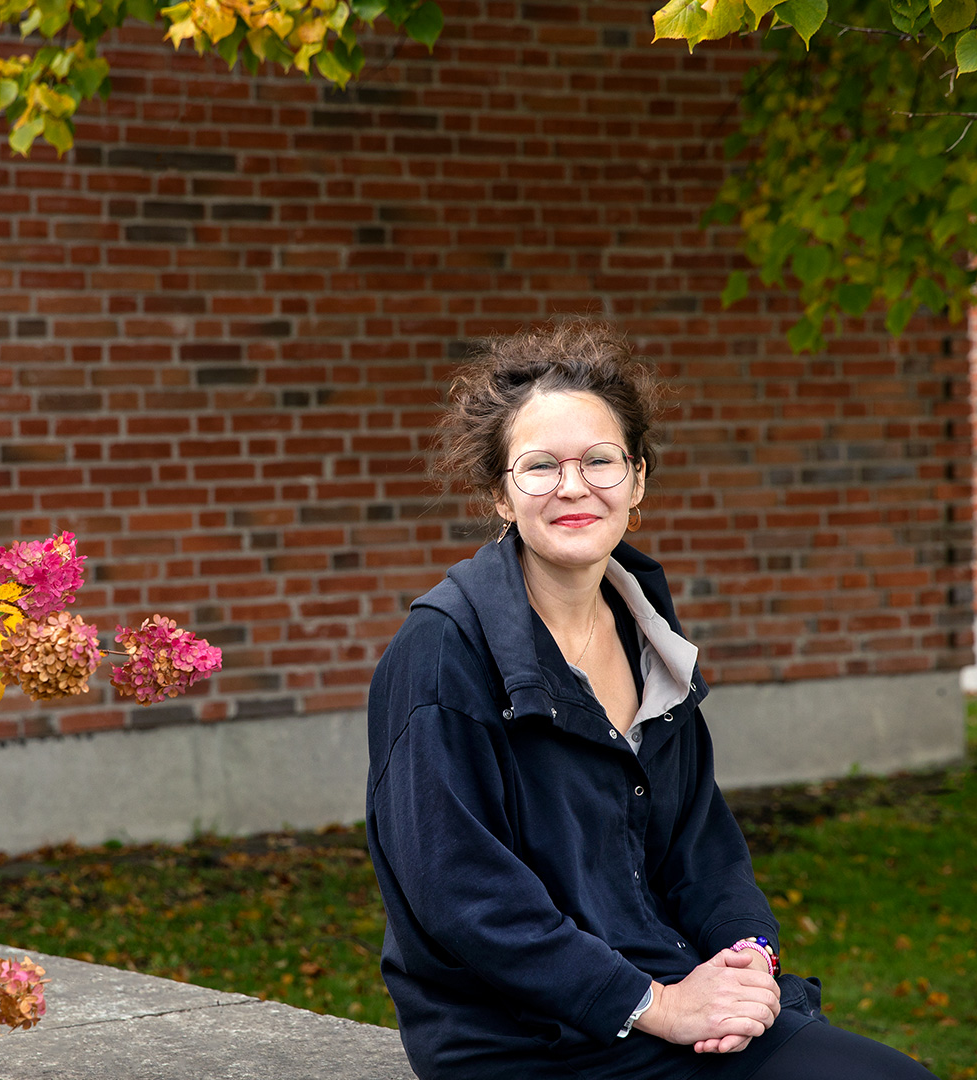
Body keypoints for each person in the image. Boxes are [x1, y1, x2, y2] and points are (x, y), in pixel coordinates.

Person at [364, 321, 940, 1080]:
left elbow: (704, 849)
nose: (573, 487)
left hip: (665, 996)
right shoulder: (444, 654)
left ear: (636, 481)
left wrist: (747, 960)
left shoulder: (648, 637)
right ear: (500, 495)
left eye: (600, 461)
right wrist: (658, 1006)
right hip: (531, 1042)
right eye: (539, 467)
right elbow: (464, 897)